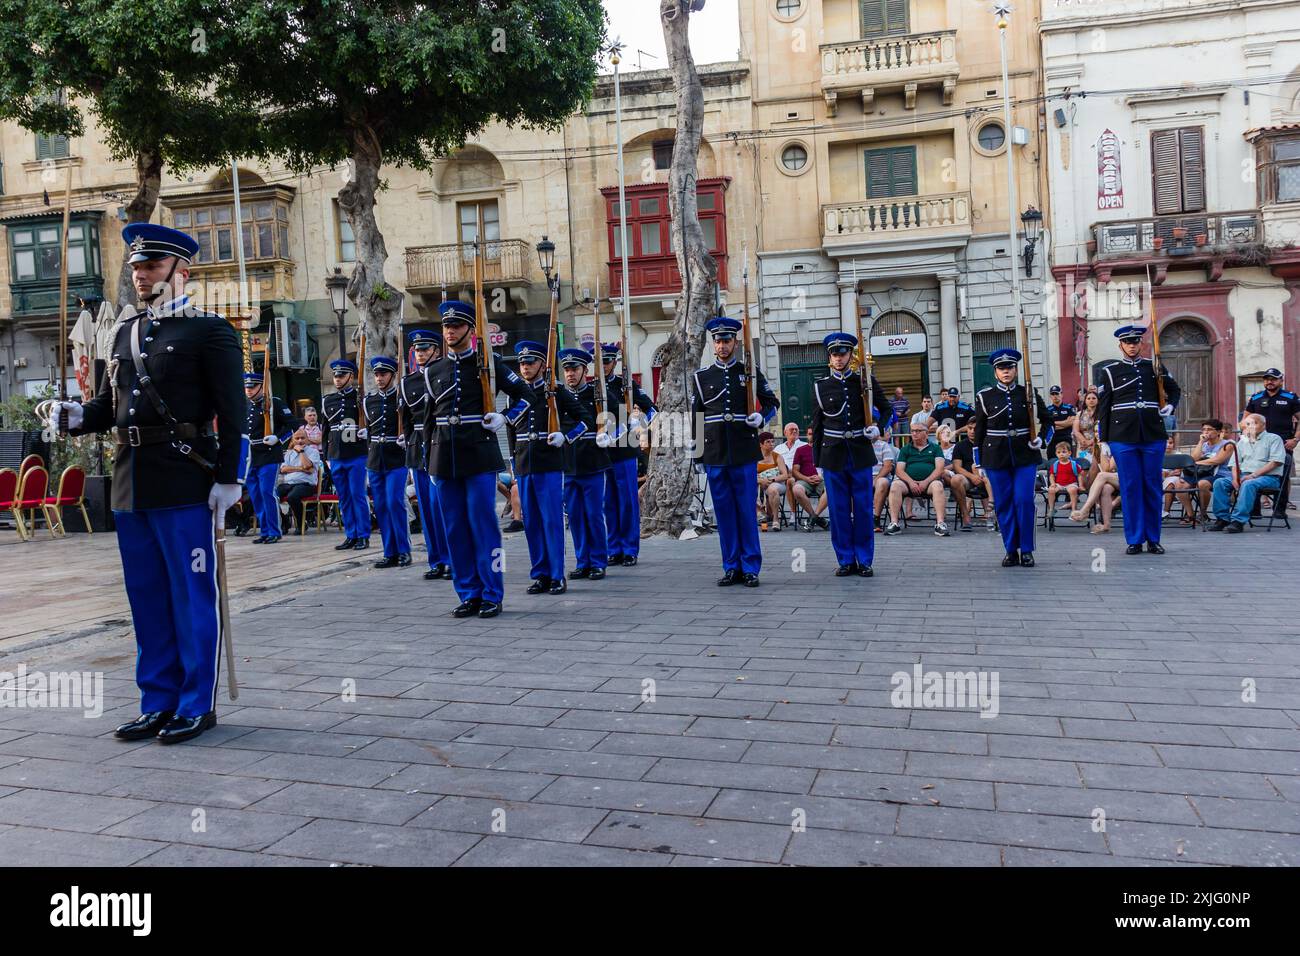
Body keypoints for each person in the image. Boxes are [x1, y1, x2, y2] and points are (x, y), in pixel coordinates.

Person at [48, 222, 245, 745]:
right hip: (131, 480)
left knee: (190, 596)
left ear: (182, 272)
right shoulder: (124, 333)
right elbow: (109, 407)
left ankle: (195, 703)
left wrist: (231, 478)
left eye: (151, 266)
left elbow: (234, 411)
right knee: (147, 599)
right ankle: (156, 701)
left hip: (185, 480)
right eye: (135, 266)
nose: (139, 275)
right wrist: (75, 415)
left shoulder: (211, 330)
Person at [420, 299, 531, 618]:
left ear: (470, 328)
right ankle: (468, 591)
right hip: (444, 457)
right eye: (446, 326)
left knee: (484, 526)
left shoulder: (489, 363)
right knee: (454, 529)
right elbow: (428, 420)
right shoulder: (432, 372)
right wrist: (428, 460)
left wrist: (505, 417)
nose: (450, 331)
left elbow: (528, 397)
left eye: (456, 326)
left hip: (480, 454)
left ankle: (493, 592)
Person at [691, 315, 779, 587]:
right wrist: (696, 456)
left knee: (745, 511)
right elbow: (696, 418)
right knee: (724, 513)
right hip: (716, 452)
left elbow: (772, 402)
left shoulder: (749, 371)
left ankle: (750, 566)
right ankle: (731, 566)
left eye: (727, 341)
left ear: (735, 342)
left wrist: (761, 418)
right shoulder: (702, 377)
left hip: (742, 449)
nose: (722, 346)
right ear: (713, 344)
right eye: (718, 341)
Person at [810, 331, 893, 576]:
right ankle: (846, 559)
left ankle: (865, 559)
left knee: (864, 509)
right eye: (834, 354)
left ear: (850, 355)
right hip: (833, 454)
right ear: (829, 357)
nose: (838, 358)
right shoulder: (820, 387)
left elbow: (888, 410)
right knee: (838, 510)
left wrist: (877, 428)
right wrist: (817, 461)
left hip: (859, 451)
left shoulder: (864, 382)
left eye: (842, 353)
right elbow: (817, 426)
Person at [502, 339, 581, 594]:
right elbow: (511, 432)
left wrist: (565, 436)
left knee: (551, 521)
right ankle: (541, 574)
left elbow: (586, 419)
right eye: (522, 363)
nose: (525, 367)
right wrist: (514, 465)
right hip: (525, 464)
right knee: (532, 523)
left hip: (549, 463)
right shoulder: (515, 394)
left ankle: (557, 574)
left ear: (542, 364)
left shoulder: (556, 390)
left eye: (530, 362)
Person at [1096, 324, 1180, 555]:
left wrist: (1171, 406)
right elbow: (1104, 408)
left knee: (1152, 486)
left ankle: (1153, 538)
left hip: (1152, 434)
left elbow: (1175, 390)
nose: (1132, 346)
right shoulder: (1110, 372)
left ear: (1141, 343)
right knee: (1131, 487)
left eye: (1135, 342)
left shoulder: (1154, 367)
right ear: (1120, 345)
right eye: (1127, 342)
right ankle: (1134, 539)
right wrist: (1103, 440)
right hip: (1122, 436)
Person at [973, 347, 1050, 566]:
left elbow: (1048, 421)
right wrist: (978, 460)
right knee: (1004, 504)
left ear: (1016, 369)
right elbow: (979, 430)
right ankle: (1010, 549)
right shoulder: (984, 396)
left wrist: (1041, 440)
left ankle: (1026, 549)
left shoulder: (1028, 394)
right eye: (1001, 368)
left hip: (1025, 455)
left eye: (1010, 367)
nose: (1006, 371)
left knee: (1024, 501)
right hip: (996, 456)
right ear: (995, 372)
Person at [556, 347, 614, 580]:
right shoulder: (558, 395)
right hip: (568, 462)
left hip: (592, 461)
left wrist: (610, 435)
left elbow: (624, 420)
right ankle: (583, 561)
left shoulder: (598, 393)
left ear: (585, 370)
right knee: (576, 516)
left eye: (574, 369)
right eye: (566, 369)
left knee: (593, 514)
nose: (570, 374)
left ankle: (598, 560)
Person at [400, 328, 451, 580]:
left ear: (436, 351)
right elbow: (407, 420)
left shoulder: (444, 372)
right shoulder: (407, 382)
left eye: (425, 349)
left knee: (440, 506)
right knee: (427, 511)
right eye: (417, 350)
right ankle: (436, 560)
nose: (420, 354)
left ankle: (451, 558)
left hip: (439, 443)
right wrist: (408, 441)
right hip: (417, 448)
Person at [600, 342, 656, 567]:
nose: (602, 366)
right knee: (608, 503)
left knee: (627, 502)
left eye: (606, 361)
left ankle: (630, 548)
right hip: (602, 451)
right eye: (599, 362)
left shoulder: (627, 385)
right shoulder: (594, 386)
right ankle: (614, 548)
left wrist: (637, 423)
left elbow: (652, 409)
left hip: (624, 448)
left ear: (614, 363)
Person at [362, 355, 411, 568]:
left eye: (384, 374)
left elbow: (410, 423)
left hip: (396, 457)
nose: (379, 378)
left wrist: (406, 438)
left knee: (394, 502)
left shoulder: (401, 398)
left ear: (392, 375)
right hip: (375, 459)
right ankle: (389, 551)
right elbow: (371, 427)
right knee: (381, 506)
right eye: (377, 375)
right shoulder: (368, 400)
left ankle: (404, 550)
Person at [321, 359, 370, 551]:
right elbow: (325, 430)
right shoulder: (328, 401)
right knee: (344, 497)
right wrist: (326, 456)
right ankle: (351, 534)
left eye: (342, 376)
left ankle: (363, 535)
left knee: (358, 495)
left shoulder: (360, 398)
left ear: (351, 376)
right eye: (335, 376)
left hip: (357, 454)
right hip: (336, 455)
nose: (338, 379)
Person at [1210, 412, 1287, 533]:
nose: (1251, 426)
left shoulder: (1274, 438)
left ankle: (1238, 521)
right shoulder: (1243, 442)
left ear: (1264, 425)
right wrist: (1235, 479)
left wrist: (1253, 475)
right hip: (1243, 475)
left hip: (1268, 477)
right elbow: (1234, 463)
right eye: (1248, 424)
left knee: (1248, 484)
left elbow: (1275, 462)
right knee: (1220, 482)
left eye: (1254, 423)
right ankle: (1222, 518)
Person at [243, 370, 295, 543]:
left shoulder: (274, 404)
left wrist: (278, 439)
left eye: (253, 387)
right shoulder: (246, 406)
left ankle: (274, 530)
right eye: (247, 387)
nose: (249, 390)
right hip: (252, 456)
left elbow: (292, 425)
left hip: (269, 455)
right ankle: (264, 530)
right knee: (256, 494)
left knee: (267, 492)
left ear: (262, 387)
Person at [885, 424, 949, 535]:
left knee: (938, 486)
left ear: (927, 433)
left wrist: (925, 482)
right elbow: (899, 471)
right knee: (895, 486)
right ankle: (894, 523)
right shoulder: (905, 449)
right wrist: (911, 482)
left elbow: (939, 469)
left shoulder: (935, 448)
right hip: (908, 483)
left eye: (918, 431)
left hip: (929, 483)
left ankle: (940, 523)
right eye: (913, 431)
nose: (914, 433)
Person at [1183, 418, 1235, 517]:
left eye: (1209, 429)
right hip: (1201, 472)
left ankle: (1202, 513)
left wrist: (1197, 463)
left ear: (1219, 431)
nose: (1206, 432)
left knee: (1202, 484)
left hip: (1220, 473)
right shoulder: (1204, 445)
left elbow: (1218, 460)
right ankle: (1190, 514)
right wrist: (1200, 442)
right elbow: (1193, 458)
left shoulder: (1227, 444)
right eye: (1204, 429)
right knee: (1180, 485)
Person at [1071, 436, 1120, 534]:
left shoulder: (1118, 445)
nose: (1097, 435)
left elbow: (1107, 469)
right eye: (1096, 433)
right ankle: (1106, 525)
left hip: (1129, 478)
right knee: (1106, 488)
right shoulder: (1100, 448)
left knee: (1101, 475)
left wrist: (1101, 451)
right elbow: (1099, 469)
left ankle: (1085, 509)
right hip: (1113, 479)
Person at [952, 420, 994, 531]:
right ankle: (965, 515)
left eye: (975, 428)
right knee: (956, 479)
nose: (972, 431)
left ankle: (991, 514)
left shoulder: (989, 443)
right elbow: (957, 467)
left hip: (987, 476)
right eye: (969, 428)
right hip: (968, 478)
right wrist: (972, 476)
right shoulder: (960, 445)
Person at [276, 429, 321, 532]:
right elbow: (283, 469)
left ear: (307, 439)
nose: (300, 440)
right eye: (297, 438)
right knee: (273, 495)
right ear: (293, 440)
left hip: (306, 485)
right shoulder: (289, 454)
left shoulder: (313, 452)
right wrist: (301, 469)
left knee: (292, 496)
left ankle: (301, 523)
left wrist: (301, 451)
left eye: (302, 438)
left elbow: (308, 466)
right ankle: (284, 521)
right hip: (288, 484)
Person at [1245, 368, 1298, 453]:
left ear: (1281, 381)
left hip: (1283, 444)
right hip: (1258, 443)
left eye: (1273, 379)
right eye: (1266, 379)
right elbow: (1245, 420)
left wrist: (1295, 439)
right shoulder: (1255, 397)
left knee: (1281, 465)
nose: (1269, 382)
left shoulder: (1291, 397)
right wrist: (1248, 437)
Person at [756, 431, 789, 532]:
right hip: (759, 484)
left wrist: (771, 480)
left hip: (777, 483)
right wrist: (761, 480)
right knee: (746, 487)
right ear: (761, 444)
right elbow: (749, 475)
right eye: (768, 442)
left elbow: (785, 475)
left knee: (773, 489)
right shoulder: (754, 457)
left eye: (773, 441)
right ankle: (760, 512)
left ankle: (775, 519)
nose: (772, 444)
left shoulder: (777, 457)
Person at [790, 442, 828, 528]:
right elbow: (795, 471)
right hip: (805, 480)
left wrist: (822, 477)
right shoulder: (800, 450)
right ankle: (815, 517)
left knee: (831, 490)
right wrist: (806, 478)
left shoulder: (826, 448)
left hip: (823, 479)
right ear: (807, 435)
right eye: (811, 433)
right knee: (796, 489)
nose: (813, 436)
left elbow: (833, 467)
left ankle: (813, 518)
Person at [1046, 441, 1083, 515]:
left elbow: (1080, 475)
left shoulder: (1073, 464)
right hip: (1059, 484)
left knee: (1072, 490)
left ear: (1069, 453)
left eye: (1064, 452)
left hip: (1071, 483)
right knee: (1051, 490)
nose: (1061, 454)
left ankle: (1073, 510)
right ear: (1056, 454)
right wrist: (1053, 483)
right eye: (1059, 452)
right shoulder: (1056, 464)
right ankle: (1051, 509)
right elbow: (1052, 475)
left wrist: (1081, 485)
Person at [871, 430, 897, 530]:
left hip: (881, 477)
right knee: (852, 483)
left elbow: (888, 467)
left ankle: (876, 519)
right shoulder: (858, 445)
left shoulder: (883, 445)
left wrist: (875, 480)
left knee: (881, 482)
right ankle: (860, 519)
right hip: (863, 478)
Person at [1042, 385, 1077, 456]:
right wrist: (1065, 423)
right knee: (1052, 462)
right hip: (1053, 439)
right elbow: (1047, 426)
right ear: (1050, 396)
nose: (1055, 396)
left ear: (1061, 394)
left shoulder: (1069, 407)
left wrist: (1053, 423)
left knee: (1067, 462)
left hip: (1066, 438)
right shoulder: (1047, 410)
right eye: (1053, 394)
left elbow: (1072, 422)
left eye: (1057, 394)